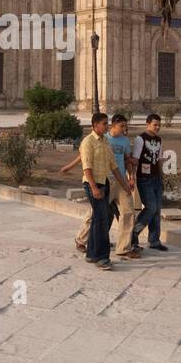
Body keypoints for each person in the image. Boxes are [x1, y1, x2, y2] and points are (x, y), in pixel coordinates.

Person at [62, 113, 141, 260]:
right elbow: (84, 158)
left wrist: (130, 179)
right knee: (96, 214)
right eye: (121, 126)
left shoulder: (121, 141)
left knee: (128, 211)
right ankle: (83, 240)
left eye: (125, 126)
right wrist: (69, 167)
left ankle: (123, 248)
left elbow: (123, 161)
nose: (124, 129)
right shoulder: (99, 140)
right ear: (113, 126)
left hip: (120, 179)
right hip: (104, 181)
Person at [78, 112, 133, 270]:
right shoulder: (88, 142)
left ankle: (91, 253)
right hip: (92, 184)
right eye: (104, 123)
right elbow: (86, 167)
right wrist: (94, 187)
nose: (106, 126)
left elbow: (114, 166)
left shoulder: (105, 142)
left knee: (98, 219)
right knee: (102, 220)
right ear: (95, 125)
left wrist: (125, 184)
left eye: (107, 123)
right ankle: (101, 257)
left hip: (105, 183)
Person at [132, 114, 168, 251]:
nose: (157, 127)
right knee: (150, 207)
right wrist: (132, 177)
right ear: (147, 124)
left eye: (159, 125)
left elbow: (158, 160)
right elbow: (135, 160)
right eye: (155, 125)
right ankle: (134, 232)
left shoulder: (159, 140)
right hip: (144, 179)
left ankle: (154, 240)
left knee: (157, 210)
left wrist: (162, 177)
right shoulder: (140, 139)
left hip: (156, 178)